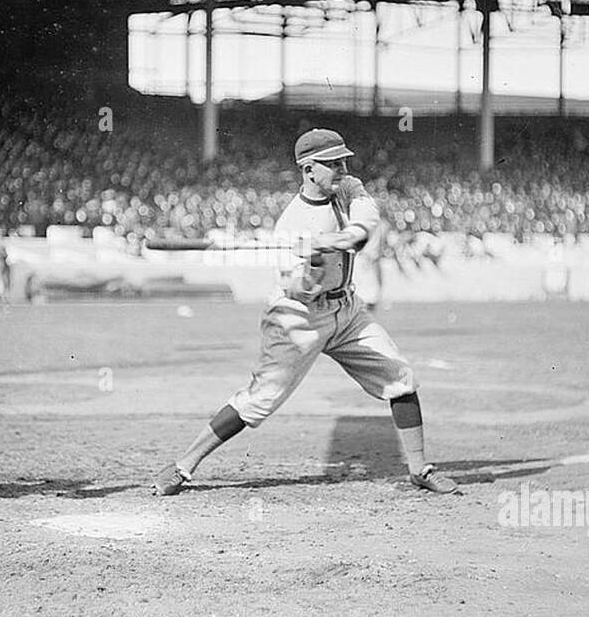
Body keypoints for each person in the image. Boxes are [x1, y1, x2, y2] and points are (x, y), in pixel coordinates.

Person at [153, 128, 457, 497]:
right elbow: (299, 288)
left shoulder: (346, 186)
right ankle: (184, 466)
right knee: (260, 401)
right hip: (298, 318)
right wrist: (313, 263)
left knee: (400, 377)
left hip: (347, 311)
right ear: (309, 170)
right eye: (333, 164)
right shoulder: (292, 226)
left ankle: (419, 469)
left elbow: (365, 219)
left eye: (344, 160)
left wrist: (342, 238)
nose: (343, 168)